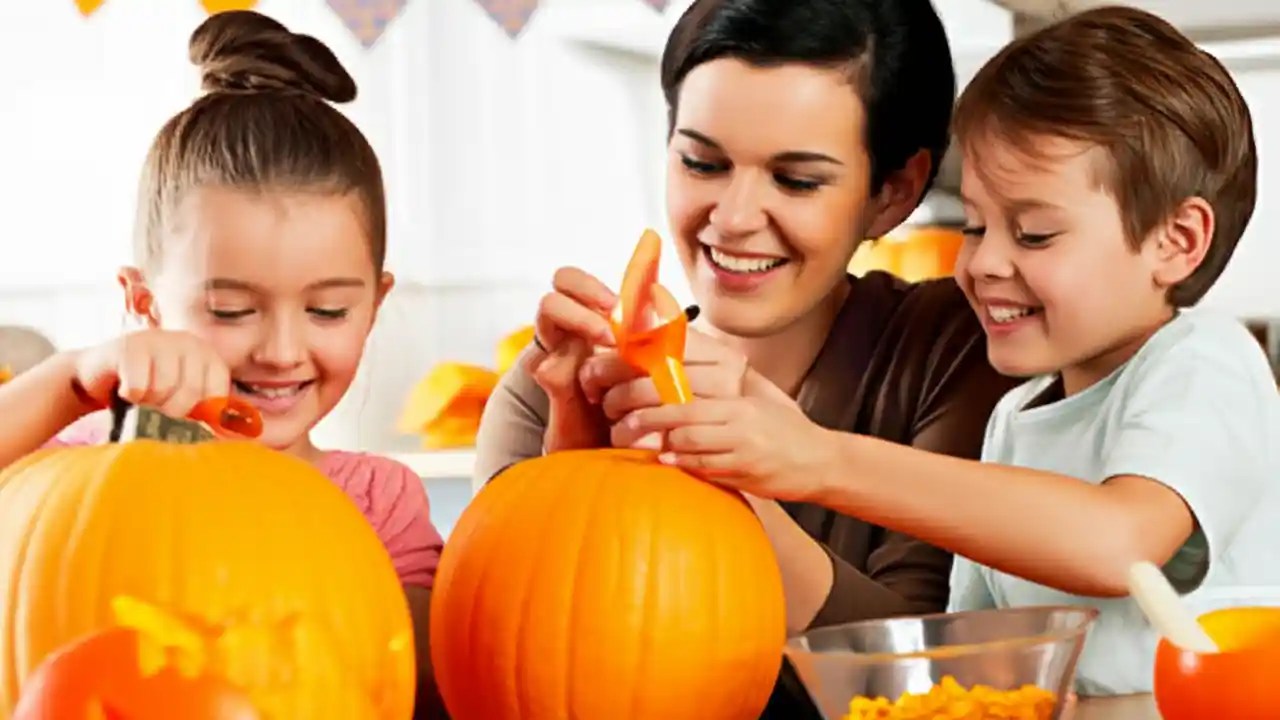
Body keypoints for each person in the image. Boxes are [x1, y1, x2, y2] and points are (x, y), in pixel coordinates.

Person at [622, 6, 1280, 696]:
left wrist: (814, 456)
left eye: (1032, 235)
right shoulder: (1017, 419)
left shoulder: (1203, 361)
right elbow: (971, 667)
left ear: (1176, 241)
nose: (983, 263)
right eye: (974, 226)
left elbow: (1120, 546)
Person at [475, 0, 1018, 712]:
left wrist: (727, 486)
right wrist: (574, 461)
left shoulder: (955, 349)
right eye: (702, 162)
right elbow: (503, 664)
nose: (732, 218)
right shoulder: (555, 382)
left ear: (893, 193)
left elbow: (936, 680)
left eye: (795, 180)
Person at [0, 11, 446, 716]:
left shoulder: (379, 504)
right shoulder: (70, 466)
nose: (279, 351)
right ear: (144, 301)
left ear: (375, 303)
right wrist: (73, 380)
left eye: (327, 311)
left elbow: (425, 686)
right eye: (231, 311)